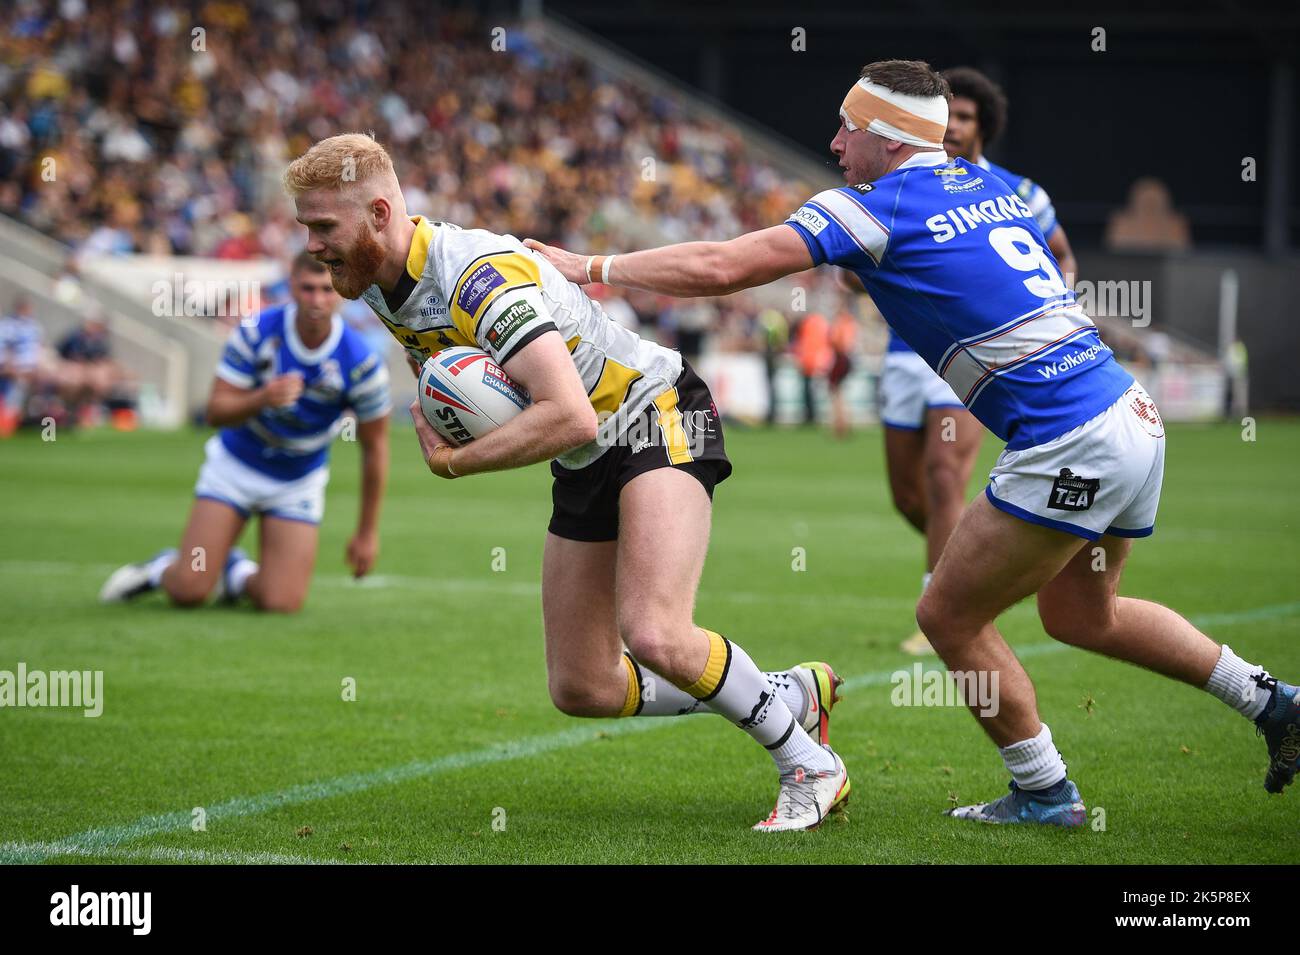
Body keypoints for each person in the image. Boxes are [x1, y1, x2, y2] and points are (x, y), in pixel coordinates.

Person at [525, 59, 1299, 824]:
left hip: (1071, 436)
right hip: (1132, 412)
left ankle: (1045, 789)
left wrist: (590, 264)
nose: (834, 144)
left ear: (889, 140)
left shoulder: (872, 205)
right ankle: (1273, 702)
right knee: (1083, 615)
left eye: (847, 128)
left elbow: (726, 263)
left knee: (948, 617)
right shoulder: (994, 186)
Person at [284, 133, 849, 831]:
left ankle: (810, 764)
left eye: (321, 226)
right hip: (589, 458)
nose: (311, 244)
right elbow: (452, 378)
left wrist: (457, 460)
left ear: (376, 213)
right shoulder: (374, 278)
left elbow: (572, 416)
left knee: (654, 630)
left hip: (656, 411)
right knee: (582, 684)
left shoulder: (475, 279)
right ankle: (783, 692)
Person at [880, 65, 1080, 655]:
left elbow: (1062, 255)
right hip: (903, 353)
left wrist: (1053, 307)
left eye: (964, 117)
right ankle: (983, 565)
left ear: (983, 126)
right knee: (909, 496)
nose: (954, 127)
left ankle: (936, 610)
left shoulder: (1021, 193)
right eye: (946, 116)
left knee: (946, 474)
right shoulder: (900, 189)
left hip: (975, 352)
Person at [99, 252, 392, 612]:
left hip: (297, 480)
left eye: (326, 291)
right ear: (291, 286)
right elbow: (215, 412)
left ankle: (235, 572)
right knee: (189, 590)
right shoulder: (256, 332)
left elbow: (375, 446)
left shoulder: (362, 360)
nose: (317, 300)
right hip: (236, 466)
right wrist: (262, 398)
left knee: (281, 602)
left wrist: (366, 533)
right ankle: (160, 569)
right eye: (307, 289)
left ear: (342, 292)